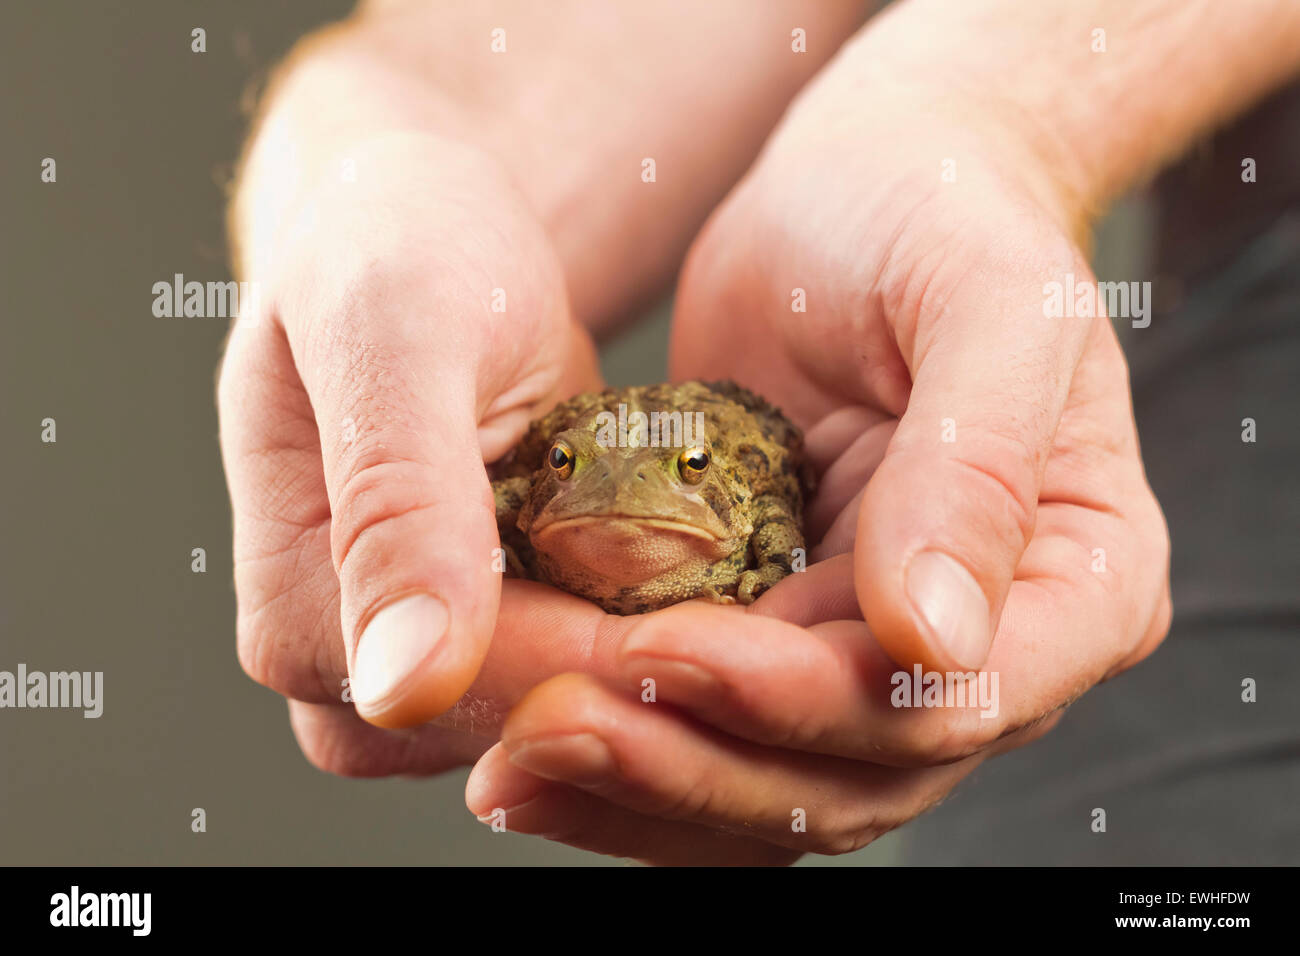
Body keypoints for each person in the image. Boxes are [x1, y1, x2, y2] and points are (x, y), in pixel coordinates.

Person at [217, 0, 1300, 864]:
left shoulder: (744, 494)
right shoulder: (533, 492)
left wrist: (987, 112)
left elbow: (770, 493)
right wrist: (371, 141)